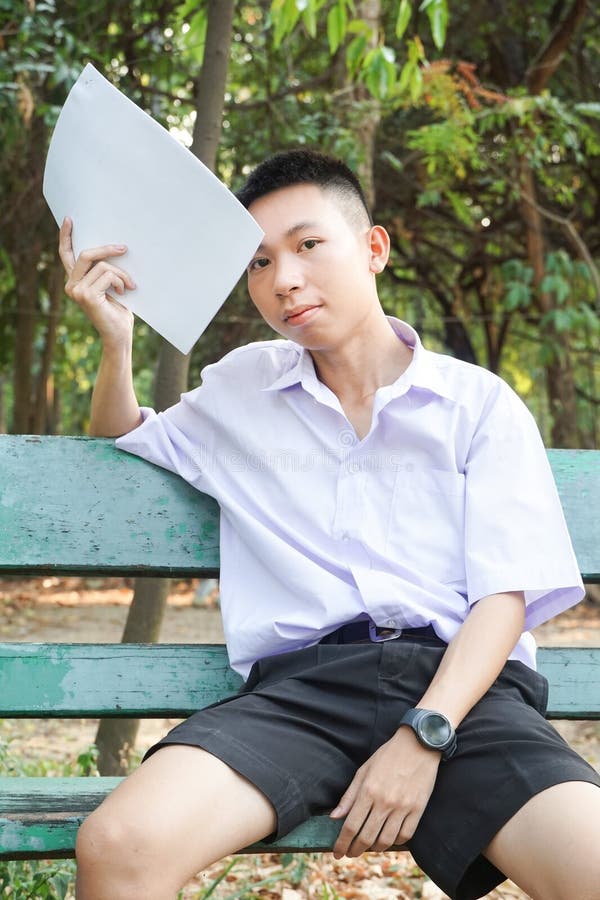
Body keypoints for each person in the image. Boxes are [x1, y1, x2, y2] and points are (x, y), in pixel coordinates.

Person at [58, 149, 600, 900]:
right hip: (302, 696)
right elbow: (128, 432)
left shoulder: (477, 404)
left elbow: (504, 596)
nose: (283, 279)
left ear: (373, 248)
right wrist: (115, 341)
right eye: (259, 262)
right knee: (118, 847)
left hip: (464, 697)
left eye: (308, 244)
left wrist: (424, 734)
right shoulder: (243, 387)